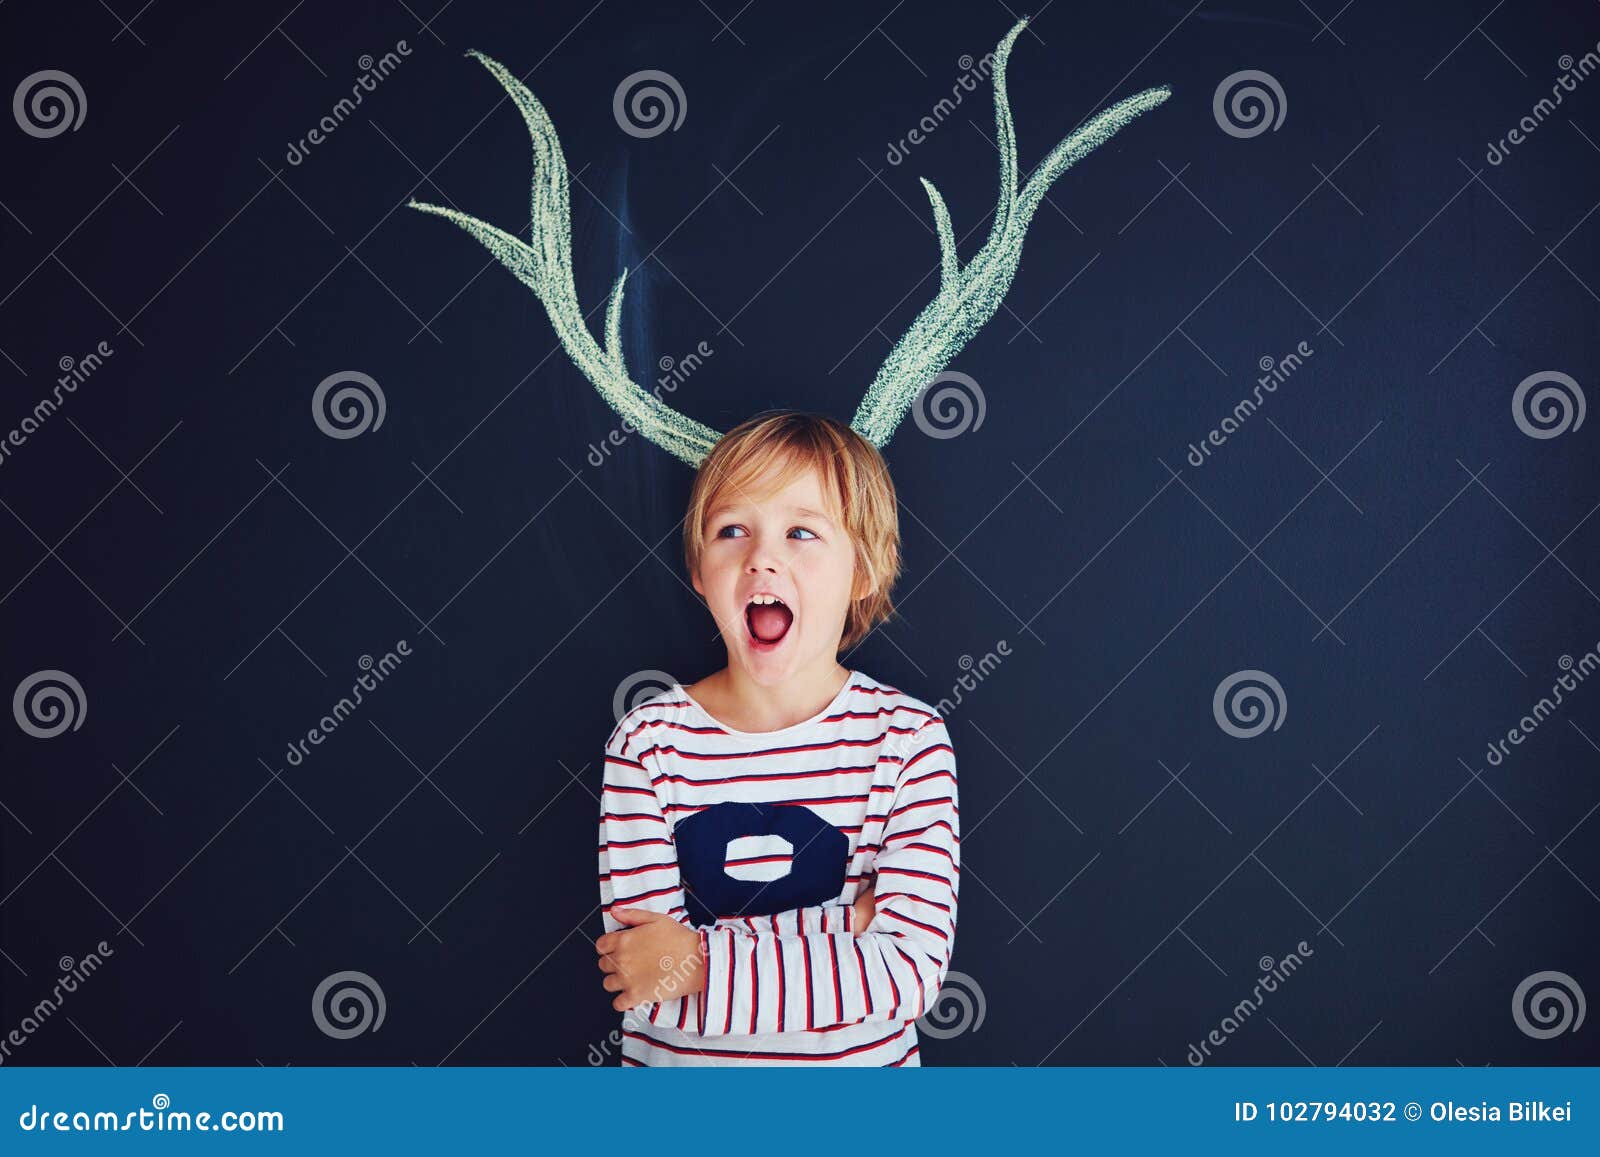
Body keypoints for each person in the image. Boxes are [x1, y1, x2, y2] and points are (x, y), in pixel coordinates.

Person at [594, 410, 960, 1065]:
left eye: (801, 531)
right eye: (731, 529)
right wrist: (848, 922)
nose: (762, 556)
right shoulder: (647, 743)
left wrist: (703, 957)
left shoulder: (908, 741)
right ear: (701, 572)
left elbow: (907, 970)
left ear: (863, 571)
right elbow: (645, 979)